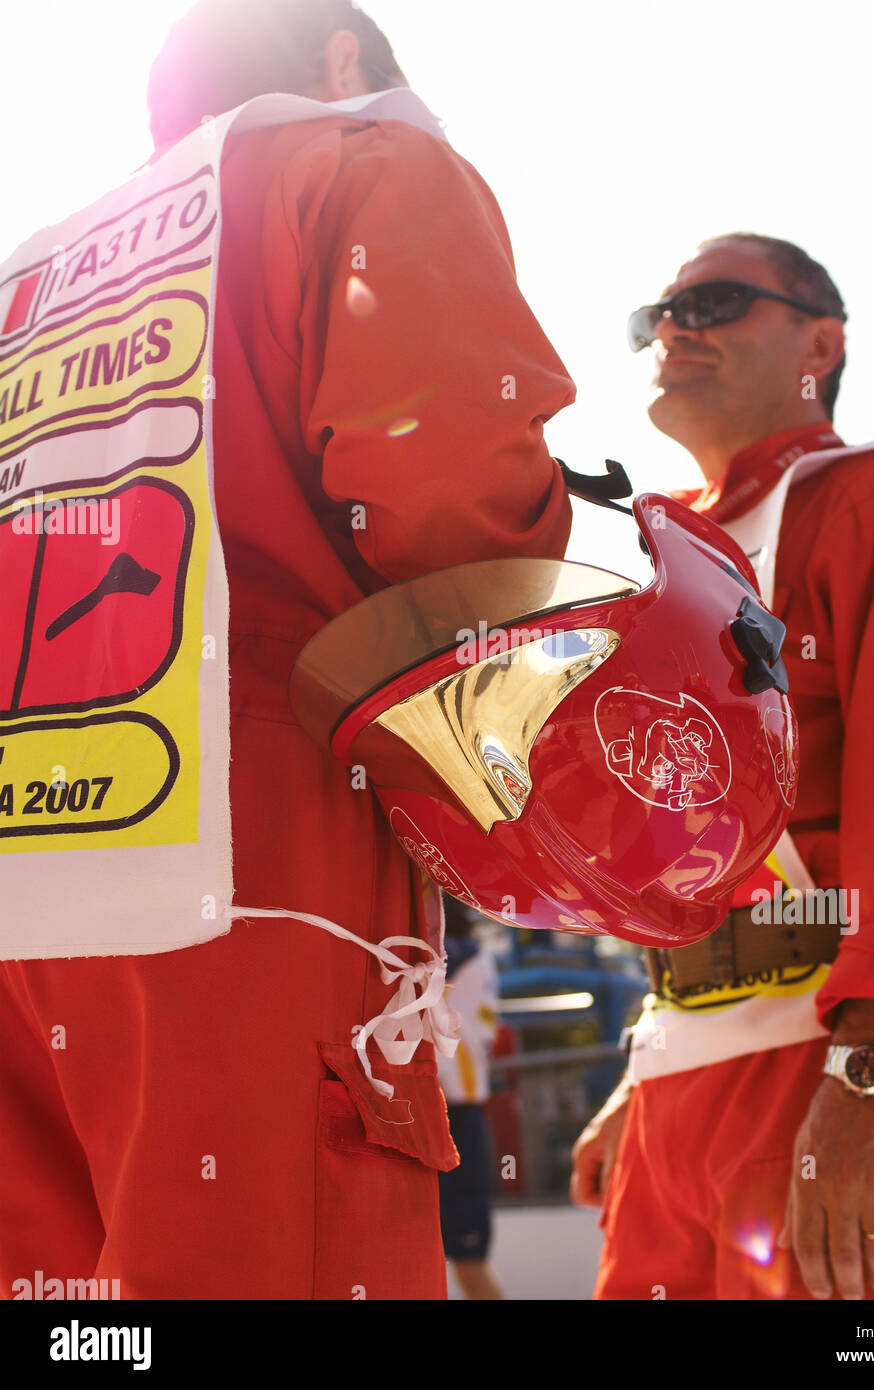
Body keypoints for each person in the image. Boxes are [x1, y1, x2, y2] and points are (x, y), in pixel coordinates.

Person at [0, 0, 573, 1300]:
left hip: (28, 856)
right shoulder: (362, 158)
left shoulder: (32, 272)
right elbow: (450, 514)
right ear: (342, 62)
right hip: (247, 852)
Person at [572, 232, 874, 1301]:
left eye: (716, 302)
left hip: (851, 1066)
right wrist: (650, 1061)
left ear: (820, 342)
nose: (674, 328)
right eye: (657, 316)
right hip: (686, 1078)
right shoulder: (659, 557)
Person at [435, 897, 503, 1300]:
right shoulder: (472, 957)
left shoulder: (459, 958)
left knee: (468, 1262)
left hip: (453, 1116)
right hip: (452, 1115)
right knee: (463, 1264)